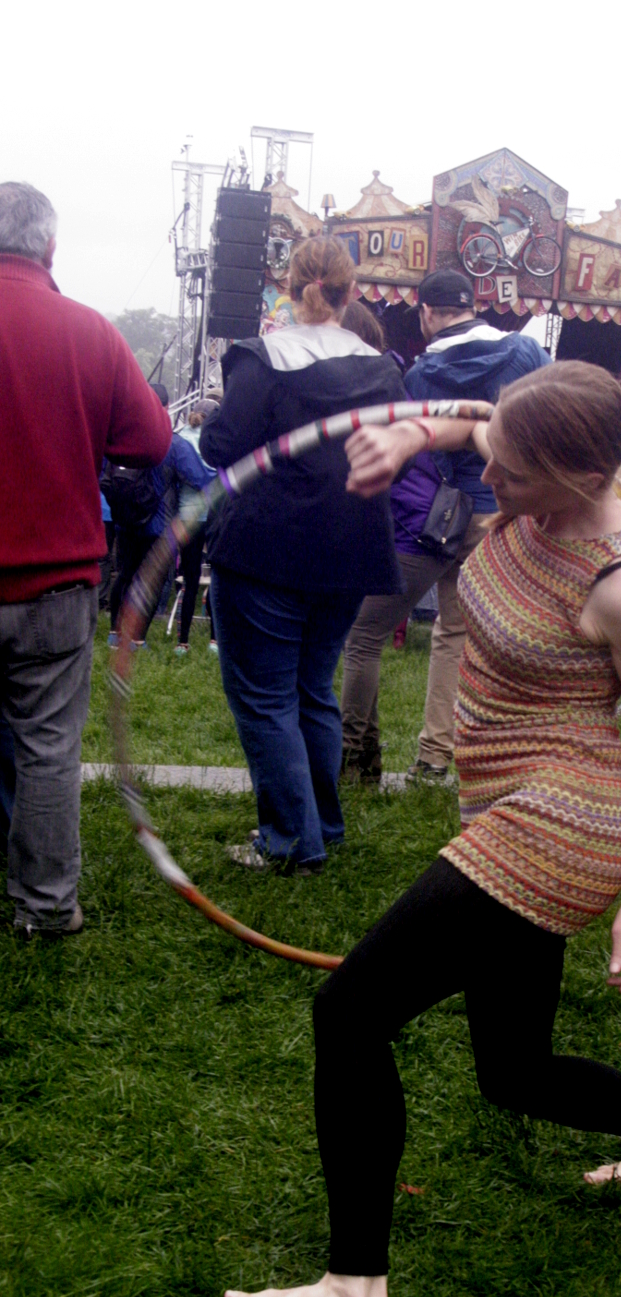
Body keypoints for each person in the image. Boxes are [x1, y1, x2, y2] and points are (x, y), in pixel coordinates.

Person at [223, 362, 621, 1297]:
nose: (496, 483)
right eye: (497, 461)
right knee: (515, 1071)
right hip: (503, 802)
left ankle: (353, 1292)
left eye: (519, 478)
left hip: (555, 825)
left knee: (350, 1015)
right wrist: (416, 437)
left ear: (585, 478)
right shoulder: (531, 455)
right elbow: (472, 425)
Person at [199, 237, 406, 872]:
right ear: (351, 291)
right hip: (349, 550)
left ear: (290, 287)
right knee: (312, 689)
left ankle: (291, 841)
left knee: (265, 697)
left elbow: (224, 446)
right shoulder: (382, 367)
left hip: (268, 547)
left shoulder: (264, 358)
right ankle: (323, 825)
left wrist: (213, 418)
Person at [0, 181, 170, 935]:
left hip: (52, 576)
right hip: (53, 582)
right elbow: (150, 441)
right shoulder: (88, 330)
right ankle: (43, 905)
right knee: (47, 751)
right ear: (50, 248)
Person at [399, 269, 550, 779]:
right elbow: (556, 415)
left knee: (452, 633)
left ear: (427, 313)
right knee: (522, 634)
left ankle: (434, 755)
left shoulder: (420, 374)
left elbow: (419, 441)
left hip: (455, 511)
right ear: (472, 305)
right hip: (516, 510)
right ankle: (514, 756)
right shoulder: (526, 354)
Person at [338, 300, 464, 780]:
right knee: (363, 636)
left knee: (363, 638)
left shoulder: (371, 386)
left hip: (414, 532)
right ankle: (366, 759)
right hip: (418, 527)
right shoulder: (393, 379)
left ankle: (351, 759)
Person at [106, 384, 210, 644]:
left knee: (126, 573)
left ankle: (113, 633)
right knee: (151, 581)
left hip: (125, 520)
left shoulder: (121, 435)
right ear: (164, 407)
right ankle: (137, 640)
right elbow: (199, 477)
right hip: (158, 523)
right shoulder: (171, 441)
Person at [172, 400, 219, 655]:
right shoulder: (217, 439)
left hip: (187, 517)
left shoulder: (179, 438)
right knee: (216, 578)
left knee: (189, 581)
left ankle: (183, 642)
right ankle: (214, 641)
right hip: (215, 516)